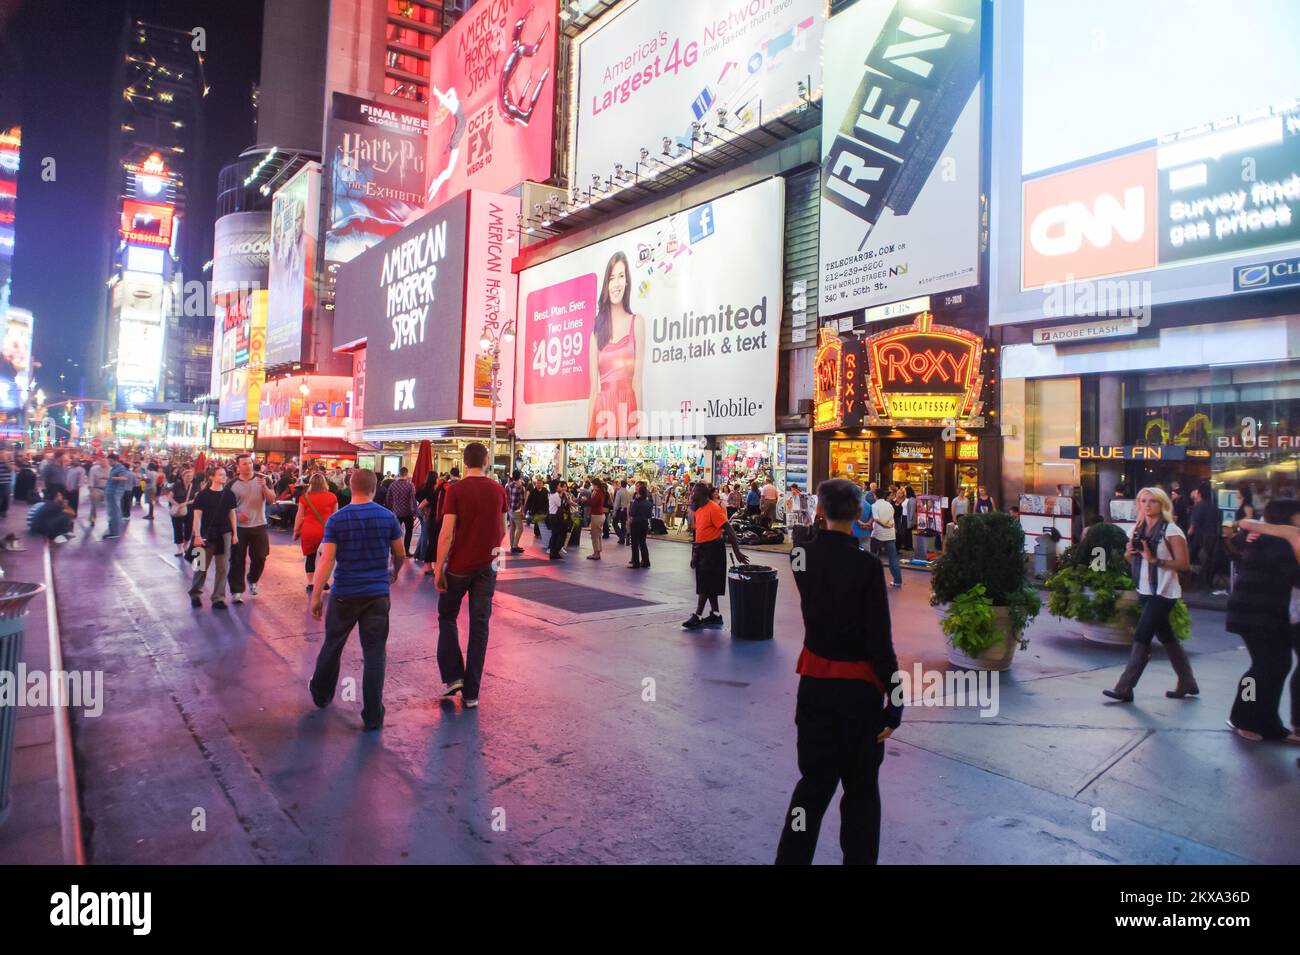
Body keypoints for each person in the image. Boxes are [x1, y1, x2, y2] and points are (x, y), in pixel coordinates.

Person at [776, 479, 902, 865]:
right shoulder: (866, 566)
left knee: (811, 789)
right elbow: (880, 641)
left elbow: (808, 553)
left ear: (820, 510)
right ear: (860, 513)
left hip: (815, 689)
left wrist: (812, 529)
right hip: (860, 696)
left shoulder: (802, 557)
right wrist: (895, 703)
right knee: (862, 794)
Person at [309, 469, 405, 731]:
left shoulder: (337, 520)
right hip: (377, 594)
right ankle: (373, 715)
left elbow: (327, 560)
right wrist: (394, 571)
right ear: (374, 489)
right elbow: (400, 552)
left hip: (344, 593)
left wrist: (317, 595)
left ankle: (321, 692)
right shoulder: (388, 517)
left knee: (333, 644)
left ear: (350, 487)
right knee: (374, 654)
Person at [1103, 487, 1198, 702]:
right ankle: (1187, 681)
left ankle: (1125, 687)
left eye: (1152, 501)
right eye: (1143, 501)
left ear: (1162, 504)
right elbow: (1134, 561)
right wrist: (1130, 554)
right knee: (1167, 636)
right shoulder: (1136, 530)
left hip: (1164, 592)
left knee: (1141, 635)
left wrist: (1155, 560)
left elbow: (1184, 565)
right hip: (1144, 589)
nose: (1147, 505)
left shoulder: (1172, 531)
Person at [433, 442, 507, 709]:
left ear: (464, 462)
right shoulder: (498, 490)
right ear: (486, 461)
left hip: (458, 567)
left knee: (447, 615)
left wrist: (439, 566)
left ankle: (454, 675)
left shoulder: (456, 490)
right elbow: (502, 529)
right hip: (487, 567)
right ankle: (472, 693)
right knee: (480, 626)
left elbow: (446, 532)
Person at [1229, 504, 1300, 743]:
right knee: (1266, 667)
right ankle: (1245, 717)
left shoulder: (1263, 538)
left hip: (1257, 614)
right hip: (1259, 614)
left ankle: (1263, 721)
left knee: (1271, 666)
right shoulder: (1277, 543)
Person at [587, 251, 644, 438]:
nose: (616, 283)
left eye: (621, 276)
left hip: (628, 406)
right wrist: (587, 436)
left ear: (627, 281)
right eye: (612, 278)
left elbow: (638, 382)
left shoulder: (637, 322)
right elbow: (593, 390)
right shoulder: (596, 332)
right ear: (606, 284)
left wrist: (641, 432)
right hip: (603, 410)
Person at [682, 482, 749, 630]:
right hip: (703, 549)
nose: (692, 494)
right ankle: (716, 615)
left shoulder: (713, 508)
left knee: (705, 583)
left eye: (694, 492)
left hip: (713, 549)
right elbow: (698, 534)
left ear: (702, 494)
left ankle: (698, 616)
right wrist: (695, 555)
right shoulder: (699, 509)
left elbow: (729, 529)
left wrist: (737, 551)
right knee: (709, 583)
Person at [227, 453, 276, 604]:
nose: (248, 466)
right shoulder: (232, 484)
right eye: (244, 464)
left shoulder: (264, 479)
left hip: (259, 525)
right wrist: (237, 513)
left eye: (249, 463)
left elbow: (272, 499)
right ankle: (236, 590)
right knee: (237, 559)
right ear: (238, 466)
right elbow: (226, 507)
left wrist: (264, 488)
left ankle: (253, 580)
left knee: (260, 556)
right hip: (239, 528)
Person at [188, 466, 239, 610]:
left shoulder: (229, 494)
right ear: (211, 477)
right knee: (200, 566)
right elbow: (197, 517)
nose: (224, 477)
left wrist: (235, 534)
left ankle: (218, 598)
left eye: (225, 475)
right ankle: (195, 594)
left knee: (222, 567)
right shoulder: (202, 495)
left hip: (225, 534)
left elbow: (232, 514)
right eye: (221, 475)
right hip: (205, 534)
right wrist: (197, 535)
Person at [294, 472, 339, 593]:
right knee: (326, 558)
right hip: (326, 532)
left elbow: (299, 516)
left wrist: (296, 531)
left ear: (311, 484)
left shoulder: (304, 498)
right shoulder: (332, 497)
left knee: (310, 557)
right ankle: (323, 581)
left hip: (309, 531)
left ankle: (310, 583)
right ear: (325, 483)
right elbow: (335, 516)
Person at [871, 489, 903, 588]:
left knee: (873, 557)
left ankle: (873, 580)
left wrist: (884, 525)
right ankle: (897, 581)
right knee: (893, 558)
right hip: (890, 534)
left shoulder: (874, 505)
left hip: (878, 534)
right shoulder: (889, 505)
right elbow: (891, 518)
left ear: (875, 496)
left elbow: (876, 519)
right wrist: (888, 525)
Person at [387, 467, 418, 557]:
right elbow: (413, 499)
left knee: (395, 532)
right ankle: (406, 551)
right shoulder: (410, 485)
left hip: (396, 512)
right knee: (409, 531)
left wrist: (391, 508)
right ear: (407, 474)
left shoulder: (393, 485)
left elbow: (388, 498)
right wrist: (414, 511)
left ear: (399, 473)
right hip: (408, 512)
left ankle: (393, 551)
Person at [168, 468, 196, 558]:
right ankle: (179, 548)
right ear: (183, 477)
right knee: (177, 528)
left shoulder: (194, 486)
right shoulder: (177, 485)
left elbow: (197, 497)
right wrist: (176, 504)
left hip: (190, 509)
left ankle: (185, 546)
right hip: (177, 509)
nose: (189, 478)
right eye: (187, 476)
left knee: (189, 528)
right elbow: (170, 497)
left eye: (191, 476)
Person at [103, 453, 130, 540]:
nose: (109, 463)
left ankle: (115, 532)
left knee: (114, 512)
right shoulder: (114, 468)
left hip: (115, 493)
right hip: (111, 492)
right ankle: (112, 530)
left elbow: (124, 478)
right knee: (112, 512)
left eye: (110, 461)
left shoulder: (120, 468)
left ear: (115, 460)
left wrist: (110, 478)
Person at [627, 480, 652, 569]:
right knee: (643, 543)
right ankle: (646, 561)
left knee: (634, 543)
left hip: (636, 523)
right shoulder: (648, 503)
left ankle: (636, 562)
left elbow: (632, 513)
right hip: (644, 523)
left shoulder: (636, 502)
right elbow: (649, 515)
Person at [506, 471, 528, 554]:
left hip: (510, 509)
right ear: (520, 476)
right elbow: (522, 501)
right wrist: (523, 511)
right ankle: (515, 546)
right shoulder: (521, 487)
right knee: (520, 528)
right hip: (517, 510)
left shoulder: (510, 485)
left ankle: (512, 545)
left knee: (512, 528)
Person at [546, 478, 567, 560]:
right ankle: (554, 551)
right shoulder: (555, 495)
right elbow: (559, 505)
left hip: (553, 516)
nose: (560, 487)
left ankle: (553, 552)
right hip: (556, 517)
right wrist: (561, 495)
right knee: (559, 534)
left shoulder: (551, 494)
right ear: (555, 487)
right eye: (559, 486)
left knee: (555, 534)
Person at [586, 477, 607, 560]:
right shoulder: (601, 492)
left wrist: (586, 500)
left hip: (596, 515)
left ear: (595, 485)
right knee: (597, 535)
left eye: (592, 485)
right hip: (600, 515)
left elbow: (593, 503)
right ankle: (597, 552)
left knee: (595, 535)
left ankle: (596, 553)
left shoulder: (598, 493)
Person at [63, 454, 84, 519]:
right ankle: (67, 513)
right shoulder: (69, 468)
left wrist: (78, 487)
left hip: (74, 489)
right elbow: (64, 473)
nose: (73, 462)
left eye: (75, 461)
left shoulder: (81, 469)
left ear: (78, 462)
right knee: (66, 502)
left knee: (74, 502)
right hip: (66, 488)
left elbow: (81, 479)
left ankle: (74, 514)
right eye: (73, 461)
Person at [612, 479, 631, 545]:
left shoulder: (619, 492)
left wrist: (614, 511)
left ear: (621, 484)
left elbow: (616, 503)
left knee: (614, 523)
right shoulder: (628, 492)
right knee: (623, 524)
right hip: (626, 509)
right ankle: (622, 538)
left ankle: (621, 536)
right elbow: (629, 502)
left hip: (620, 509)